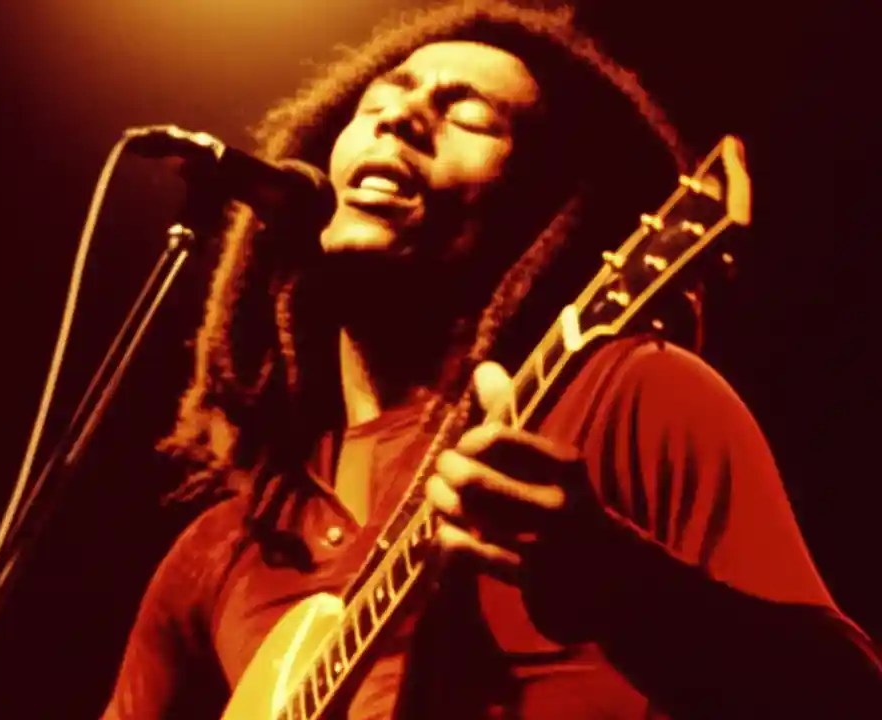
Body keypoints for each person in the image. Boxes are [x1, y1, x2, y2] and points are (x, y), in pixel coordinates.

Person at [100, 2, 881, 718]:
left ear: (543, 216)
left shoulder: (629, 395)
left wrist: (614, 581)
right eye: (378, 101)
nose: (401, 116)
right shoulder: (227, 544)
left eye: (468, 114)